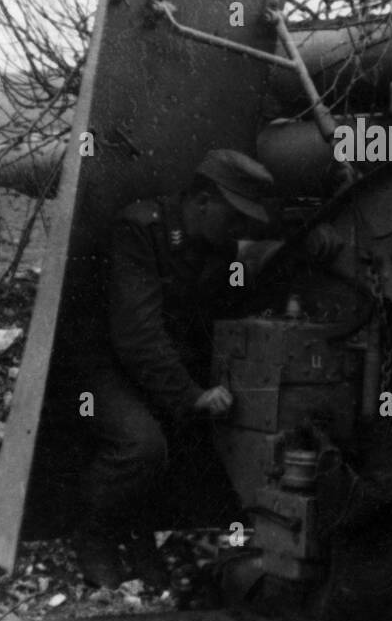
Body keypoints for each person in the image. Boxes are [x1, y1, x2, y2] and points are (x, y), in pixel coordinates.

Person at [72, 148, 275, 589]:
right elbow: (136, 335)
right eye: (234, 218)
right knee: (141, 447)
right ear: (202, 202)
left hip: (157, 364)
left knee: (189, 446)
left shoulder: (214, 243)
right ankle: (93, 538)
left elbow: (232, 298)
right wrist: (191, 396)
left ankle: (141, 541)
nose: (239, 232)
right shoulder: (140, 229)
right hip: (105, 362)